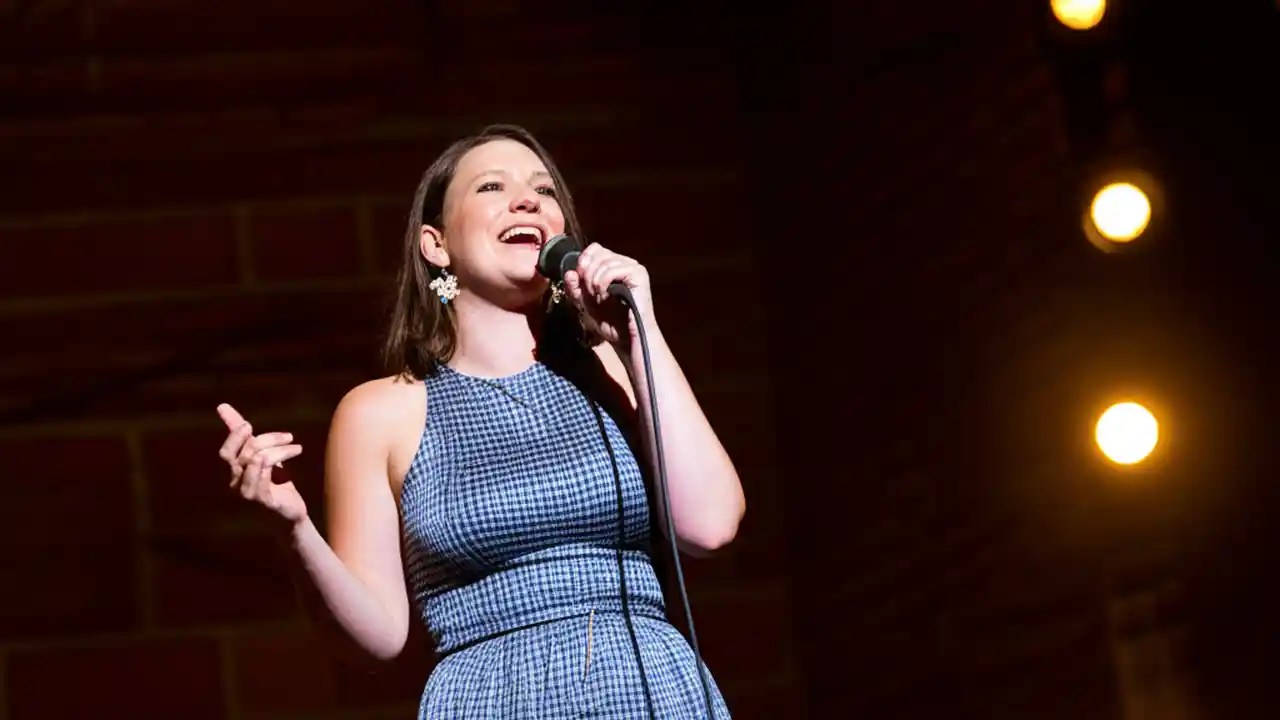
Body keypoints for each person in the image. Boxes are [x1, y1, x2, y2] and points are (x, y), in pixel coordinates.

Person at [214, 123, 745, 718]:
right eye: (492, 186)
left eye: (544, 192)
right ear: (435, 245)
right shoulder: (381, 412)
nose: (526, 199)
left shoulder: (613, 368)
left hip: (644, 685)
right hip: (490, 695)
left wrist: (637, 336)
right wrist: (294, 530)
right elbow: (379, 637)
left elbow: (711, 526)